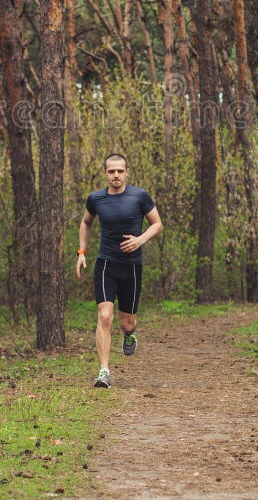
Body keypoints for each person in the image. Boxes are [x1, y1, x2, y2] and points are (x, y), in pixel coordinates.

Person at [76, 153, 163, 388]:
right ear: (105, 173)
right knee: (104, 316)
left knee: (127, 323)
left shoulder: (140, 196)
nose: (116, 175)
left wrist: (140, 240)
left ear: (126, 172)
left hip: (132, 267)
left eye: (120, 171)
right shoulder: (95, 199)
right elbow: (86, 222)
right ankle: (103, 371)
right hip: (106, 264)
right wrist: (81, 253)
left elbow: (157, 224)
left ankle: (129, 333)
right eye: (111, 171)